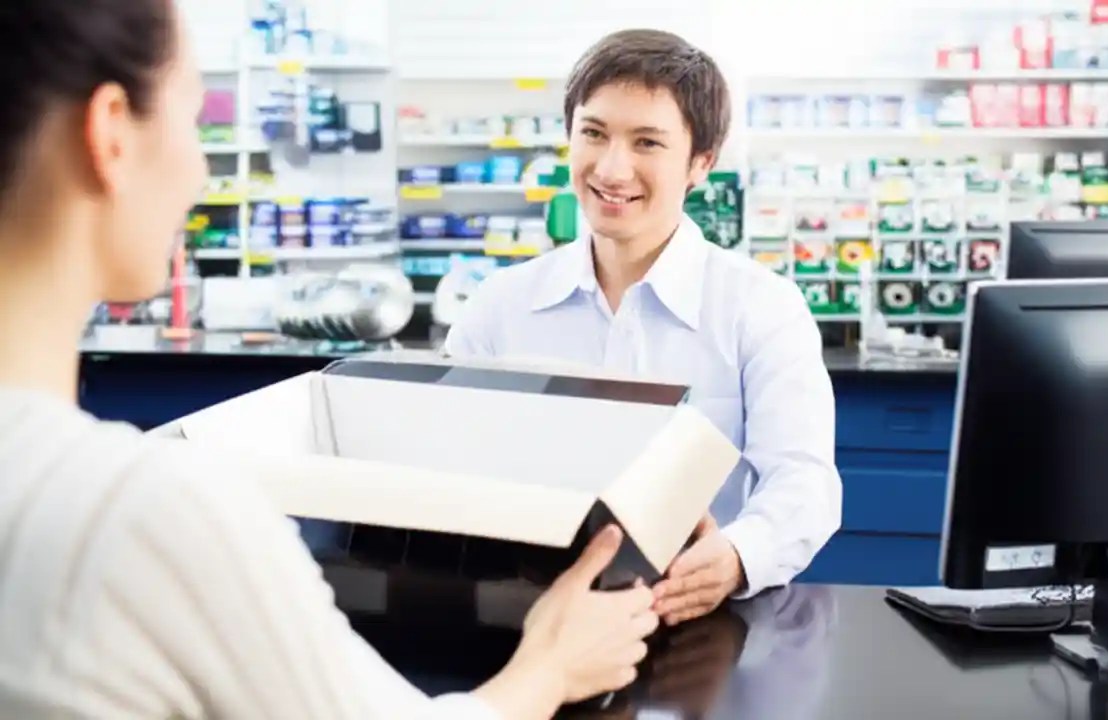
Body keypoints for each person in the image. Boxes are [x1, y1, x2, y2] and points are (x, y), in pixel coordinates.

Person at [0, 2, 657, 718]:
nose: (195, 171)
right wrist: (550, 669)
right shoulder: (142, 516)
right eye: (191, 118)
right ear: (111, 135)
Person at [445, 29, 842, 625]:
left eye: (648, 142)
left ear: (700, 163)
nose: (612, 168)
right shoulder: (499, 308)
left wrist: (737, 554)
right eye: (594, 133)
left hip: (695, 624)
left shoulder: (761, 308)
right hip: (526, 620)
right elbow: (445, 465)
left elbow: (804, 482)